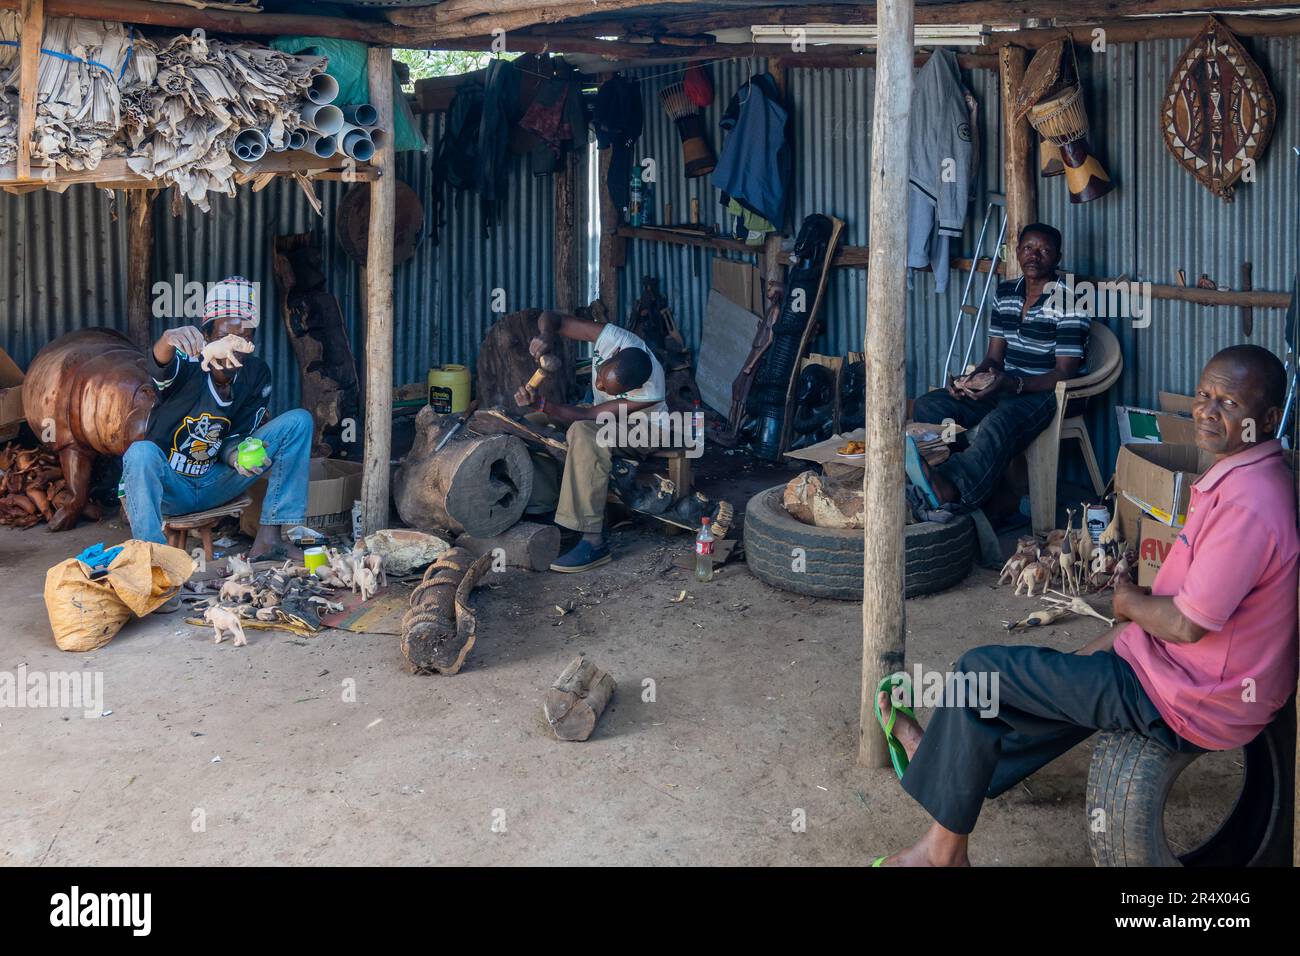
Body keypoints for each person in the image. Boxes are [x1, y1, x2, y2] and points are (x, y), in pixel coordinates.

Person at [873, 345, 1297, 866]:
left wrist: (1127, 601)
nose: (1207, 411)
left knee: (977, 674)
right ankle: (946, 764)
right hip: (1184, 670)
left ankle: (940, 855)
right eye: (1204, 394)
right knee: (1067, 674)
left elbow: (1185, 624)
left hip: (1194, 695)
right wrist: (1135, 612)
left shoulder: (1250, 503)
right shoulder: (1245, 475)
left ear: (1269, 418)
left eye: (1229, 403)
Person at [121, 276, 312, 566]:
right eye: (225, 337)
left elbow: (236, 437)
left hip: (217, 482)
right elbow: (158, 367)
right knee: (140, 453)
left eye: (245, 338)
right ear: (207, 337)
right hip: (172, 488)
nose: (236, 346)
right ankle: (153, 564)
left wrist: (236, 455)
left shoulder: (256, 374)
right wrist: (169, 339)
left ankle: (270, 539)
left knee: (299, 422)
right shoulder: (187, 365)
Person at [908, 223, 1087, 514]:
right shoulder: (1006, 293)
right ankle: (975, 480)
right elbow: (994, 357)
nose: (1034, 255)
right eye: (1028, 248)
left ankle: (955, 489)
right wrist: (972, 379)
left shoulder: (1069, 301)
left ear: (1057, 257)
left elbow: (1063, 373)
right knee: (931, 406)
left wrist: (1012, 384)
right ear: (1016, 252)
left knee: (997, 422)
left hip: (1044, 394)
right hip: (1004, 385)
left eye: (1044, 250)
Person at [514, 309, 666, 572]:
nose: (599, 384)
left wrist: (542, 402)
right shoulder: (614, 337)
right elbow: (553, 317)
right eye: (601, 376)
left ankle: (593, 541)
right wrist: (546, 335)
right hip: (602, 417)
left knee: (584, 434)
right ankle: (544, 507)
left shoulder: (650, 391)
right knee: (532, 423)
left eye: (608, 388)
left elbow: (589, 415)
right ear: (615, 353)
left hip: (646, 429)